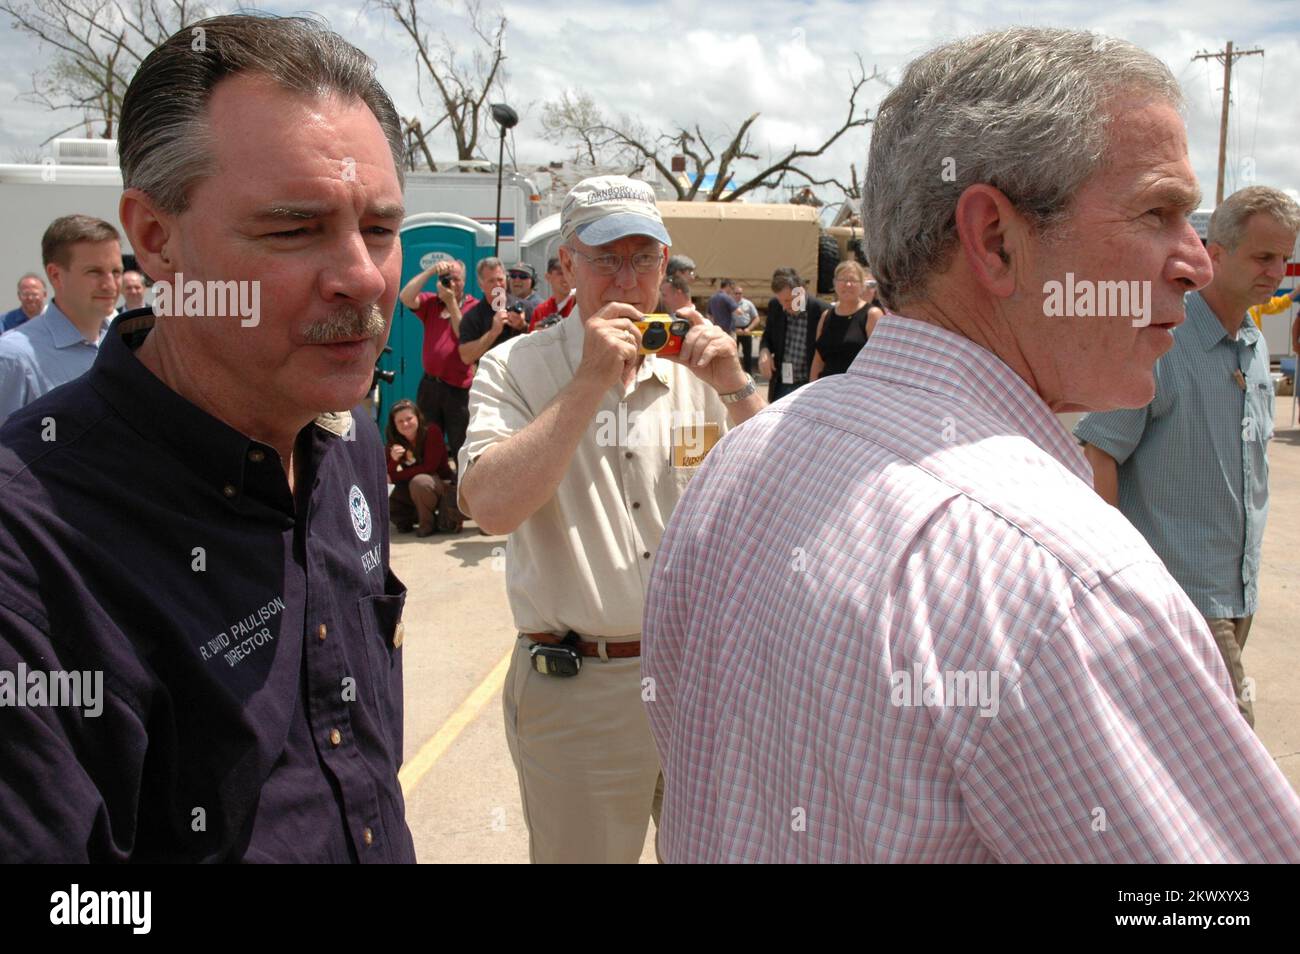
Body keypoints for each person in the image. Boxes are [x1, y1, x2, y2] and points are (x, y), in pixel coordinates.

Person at [641, 27, 1300, 863]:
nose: (1196, 264)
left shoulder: (742, 459)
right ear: (994, 239)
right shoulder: (1071, 588)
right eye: (1159, 213)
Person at [0, 14, 415, 862]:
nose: (363, 276)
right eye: (294, 229)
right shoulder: (29, 543)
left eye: (378, 228)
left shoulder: (350, 440)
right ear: (155, 240)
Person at [457, 174, 764, 864]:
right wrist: (589, 382)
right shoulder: (517, 368)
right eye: (606, 258)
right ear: (566, 265)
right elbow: (490, 509)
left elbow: (778, 501)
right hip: (580, 689)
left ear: (665, 265)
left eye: (644, 259)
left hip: (698, 683)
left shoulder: (697, 368)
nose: (627, 279)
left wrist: (739, 388)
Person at [1076, 185, 1300, 728]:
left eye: (1284, 258)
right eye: (1263, 256)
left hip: (1238, 592)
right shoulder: (1160, 343)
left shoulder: (1251, 343)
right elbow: (1098, 454)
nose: (1276, 271)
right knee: (1236, 761)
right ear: (1214, 254)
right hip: (1178, 597)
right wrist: (1113, 583)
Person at [0, 216, 122, 423]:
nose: (110, 285)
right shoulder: (13, 357)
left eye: (116, 271)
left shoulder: (123, 346)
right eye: (94, 272)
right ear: (55, 275)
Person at [399, 257, 478, 465]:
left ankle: (461, 488)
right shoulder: (432, 303)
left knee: (460, 441)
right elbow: (405, 297)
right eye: (447, 278)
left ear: (464, 281)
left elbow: (464, 335)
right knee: (426, 441)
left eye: (457, 279)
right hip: (430, 386)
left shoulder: (474, 306)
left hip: (458, 389)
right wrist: (430, 272)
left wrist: (451, 302)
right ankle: (430, 485)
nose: (452, 283)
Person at [386, 398, 454, 536]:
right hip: (414, 487)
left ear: (417, 417)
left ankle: (427, 524)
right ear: (394, 424)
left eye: (409, 418)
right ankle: (411, 520)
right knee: (392, 500)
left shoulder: (431, 432)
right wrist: (393, 461)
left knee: (420, 482)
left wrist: (395, 475)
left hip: (441, 483)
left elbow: (429, 468)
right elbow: (388, 477)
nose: (405, 424)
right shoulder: (394, 440)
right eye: (400, 421)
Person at [758, 267, 828, 401]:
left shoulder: (822, 312)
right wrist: (764, 351)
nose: (784, 307)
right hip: (782, 385)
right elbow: (767, 336)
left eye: (788, 301)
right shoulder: (775, 306)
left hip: (809, 385)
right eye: (781, 301)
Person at [810, 261, 885, 379]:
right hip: (827, 389)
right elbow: (818, 360)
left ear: (862, 285)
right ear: (835, 283)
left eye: (853, 280)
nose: (848, 284)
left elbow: (880, 359)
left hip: (857, 389)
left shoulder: (872, 315)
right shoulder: (826, 316)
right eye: (843, 280)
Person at [456, 257, 531, 364]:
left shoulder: (526, 307)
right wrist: (493, 332)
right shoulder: (472, 317)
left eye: (500, 279)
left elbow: (541, 343)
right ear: (481, 285)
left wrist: (523, 326)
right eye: (491, 281)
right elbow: (466, 357)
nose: (497, 285)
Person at [528, 255, 576, 331]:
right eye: (561, 273)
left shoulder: (579, 306)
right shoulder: (540, 310)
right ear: (548, 277)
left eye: (569, 272)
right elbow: (530, 340)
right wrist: (536, 333)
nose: (566, 277)